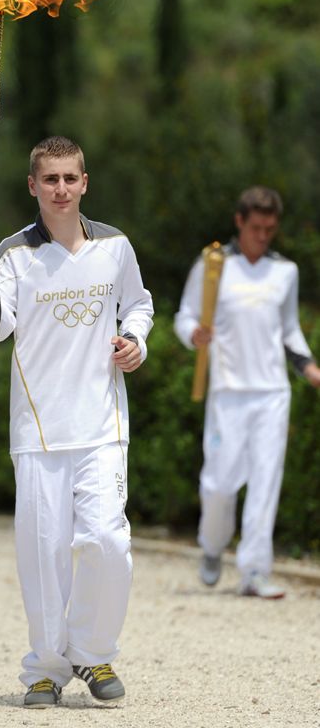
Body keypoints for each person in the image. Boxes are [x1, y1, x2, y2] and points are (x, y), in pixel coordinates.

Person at [0, 136, 153, 708]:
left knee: (108, 542)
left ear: (84, 182)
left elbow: (138, 304)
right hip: (39, 428)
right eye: (50, 179)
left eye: (70, 178)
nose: (61, 189)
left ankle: (92, 652)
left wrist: (134, 340)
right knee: (43, 555)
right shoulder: (13, 253)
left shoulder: (115, 246)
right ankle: (46, 667)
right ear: (33, 185)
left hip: (101, 423)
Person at [175, 186, 320, 599]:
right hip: (228, 391)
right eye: (256, 227)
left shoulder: (284, 271)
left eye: (269, 229)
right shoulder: (213, 264)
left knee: (265, 481)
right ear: (240, 222)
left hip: (272, 392)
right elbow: (185, 316)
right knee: (220, 484)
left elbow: (289, 330)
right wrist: (194, 334)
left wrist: (309, 368)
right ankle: (212, 544)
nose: (262, 236)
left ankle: (255, 571)